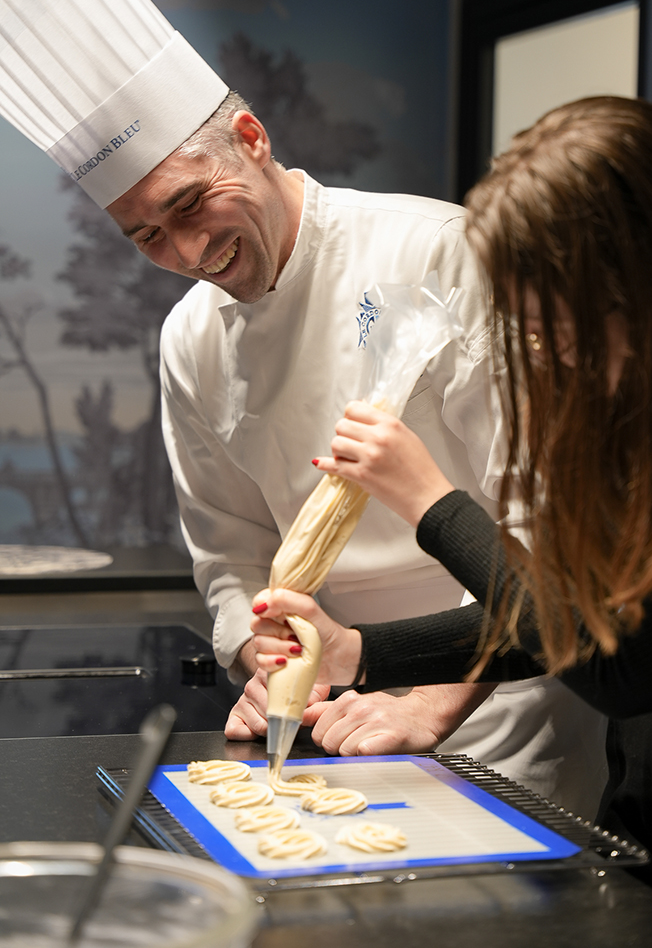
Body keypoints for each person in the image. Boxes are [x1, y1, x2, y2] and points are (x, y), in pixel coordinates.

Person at [249, 96, 652, 948]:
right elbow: (572, 616)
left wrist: (431, 503)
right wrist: (361, 654)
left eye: (560, 329)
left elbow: (617, 659)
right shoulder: (646, 415)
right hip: (645, 860)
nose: (554, 358)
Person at [106, 88, 608, 818]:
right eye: (146, 235)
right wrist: (273, 661)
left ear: (253, 137)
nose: (185, 251)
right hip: (337, 709)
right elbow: (230, 551)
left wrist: (430, 705)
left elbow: (544, 523)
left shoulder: (443, 251)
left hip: (506, 707)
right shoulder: (191, 337)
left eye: (189, 204)